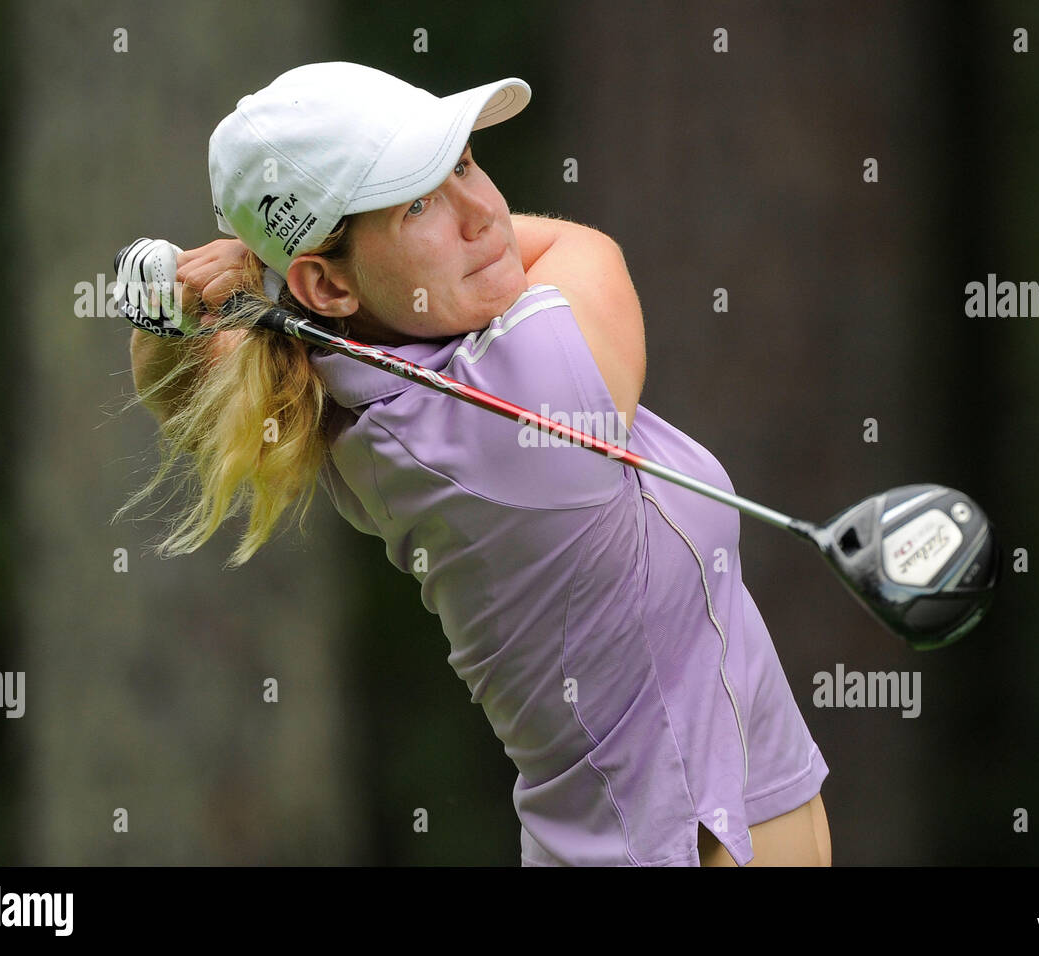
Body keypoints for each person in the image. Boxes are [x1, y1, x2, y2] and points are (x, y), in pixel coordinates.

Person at [117, 62, 831, 867]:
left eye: (462, 163)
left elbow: (179, 384)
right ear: (327, 283)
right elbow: (583, 246)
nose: (480, 213)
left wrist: (201, 300)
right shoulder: (529, 411)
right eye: (417, 202)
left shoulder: (349, 387)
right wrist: (255, 278)